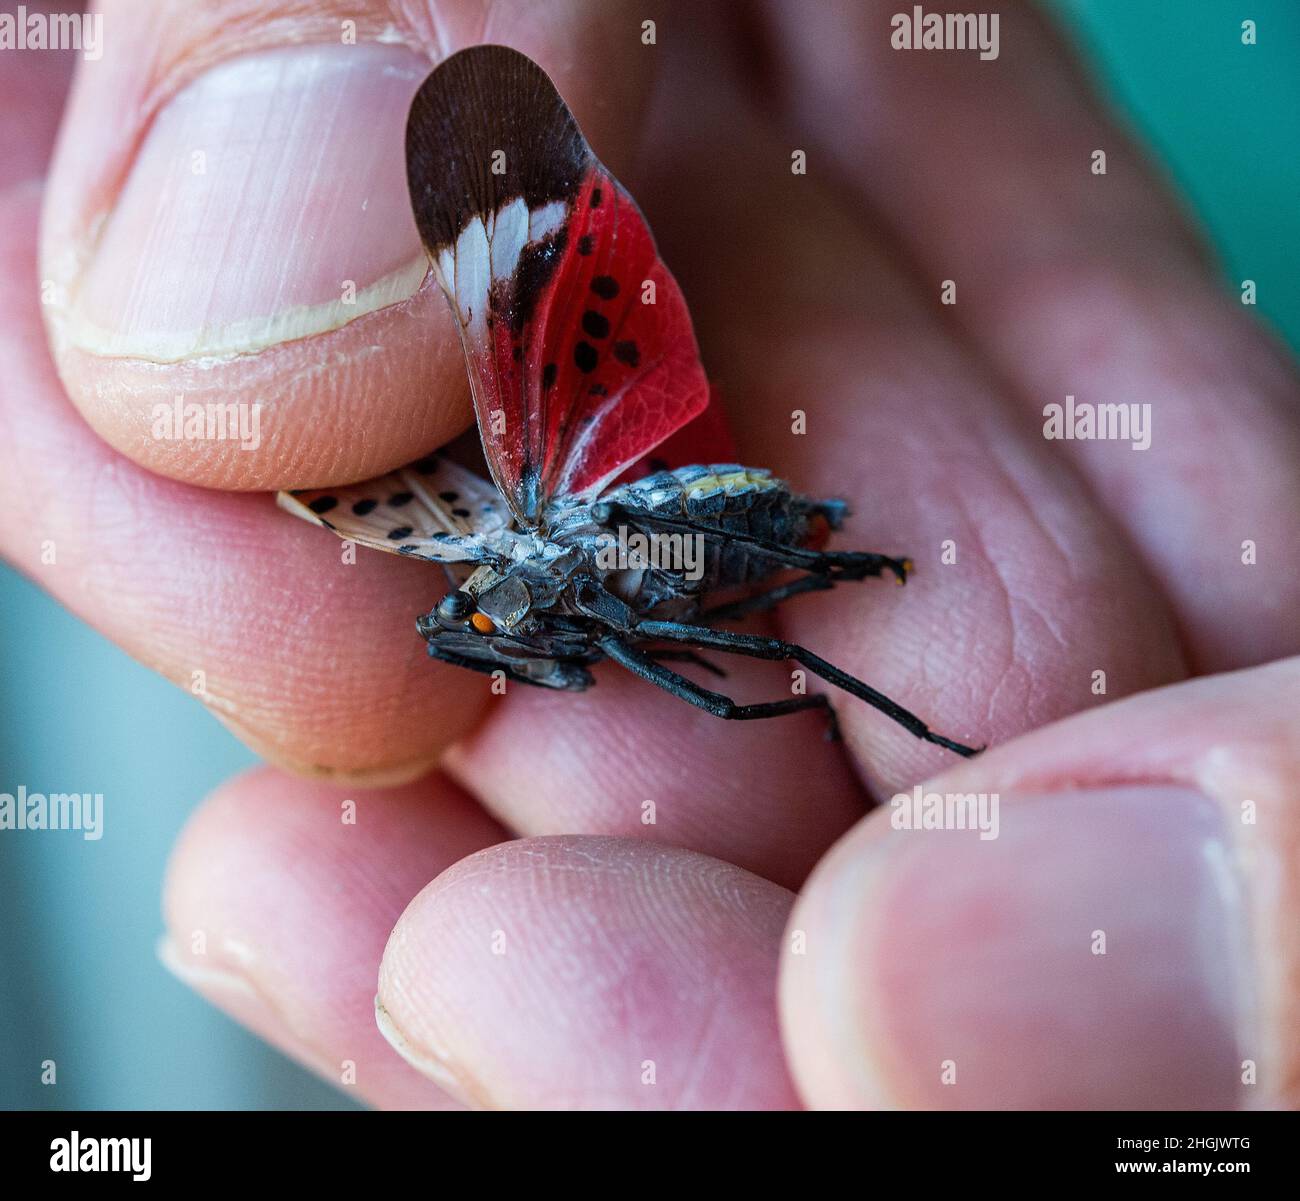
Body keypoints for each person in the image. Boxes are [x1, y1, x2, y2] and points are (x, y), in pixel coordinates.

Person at [4, 0, 1297, 1109]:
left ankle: (868, 637)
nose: (496, 632)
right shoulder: (507, 587)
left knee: (718, 668)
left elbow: (669, 655)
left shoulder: (530, 528)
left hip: (680, 506)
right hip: (642, 522)